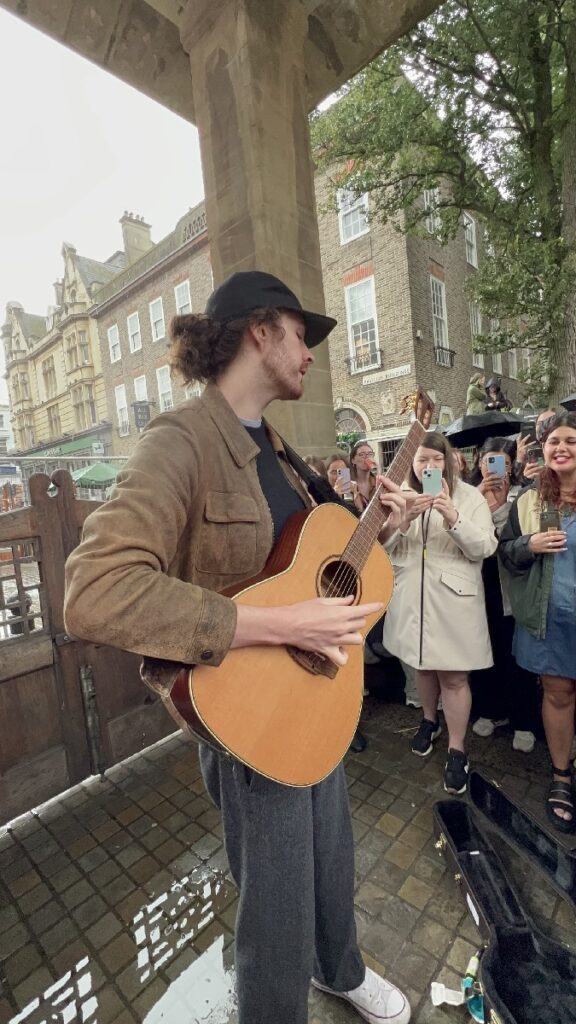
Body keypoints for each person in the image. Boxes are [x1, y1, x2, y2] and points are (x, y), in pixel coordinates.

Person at [63, 270, 411, 1024]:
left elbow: (315, 565)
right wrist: (281, 628)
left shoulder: (281, 451)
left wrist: (386, 522)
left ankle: (340, 969)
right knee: (275, 909)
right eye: (301, 335)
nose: (312, 354)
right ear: (261, 331)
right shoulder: (181, 442)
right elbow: (94, 590)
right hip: (248, 717)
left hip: (314, 693)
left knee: (333, 859)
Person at [382, 432, 497, 794]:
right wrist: (402, 521)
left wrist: (452, 515)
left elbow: (485, 547)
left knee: (454, 678)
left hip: (453, 601)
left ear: (448, 460)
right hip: (411, 598)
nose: (429, 466)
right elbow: (379, 546)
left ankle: (457, 748)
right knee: (422, 666)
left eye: (435, 459)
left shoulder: (469, 496)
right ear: (411, 464)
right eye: (421, 460)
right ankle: (429, 721)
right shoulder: (402, 493)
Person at [500, 411, 576, 833]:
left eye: (571, 440)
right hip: (550, 619)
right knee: (559, 694)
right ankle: (562, 775)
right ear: (543, 450)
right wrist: (529, 543)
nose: (561, 448)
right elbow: (506, 551)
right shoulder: (530, 500)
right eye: (553, 442)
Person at [468, 438, 539, 752]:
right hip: (480, 591)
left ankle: (523, 719)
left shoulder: (522, 498)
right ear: (480, 464)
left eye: (505, 464)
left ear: (513, 468)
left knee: (517, 656)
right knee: (487, 652)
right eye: (490, 462)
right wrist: (480, 504)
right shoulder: (469, 499)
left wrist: (500, 510)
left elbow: (518, 543)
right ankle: (490, 710)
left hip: (513, 588)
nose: (497, 470)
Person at [350, 440, 378, 512]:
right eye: (361, 454)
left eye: (370, 454)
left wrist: (378, 470)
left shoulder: (377, 482)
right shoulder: (349, 484)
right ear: (353, 460)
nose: (366, 457)